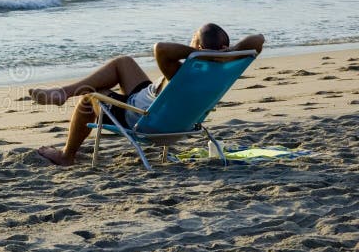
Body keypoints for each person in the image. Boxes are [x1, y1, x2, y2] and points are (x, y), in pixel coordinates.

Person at [30, 24, 265, 166]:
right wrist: (226, 53)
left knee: (88, 97)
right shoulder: (222, 70)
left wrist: (198, 54)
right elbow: (258, 39)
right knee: (124, 63)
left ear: (199, 47)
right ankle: (62, 92)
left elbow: (160, 48)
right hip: (175, 118)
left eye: (193, 40)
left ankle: (66, 155)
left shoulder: (186, 70)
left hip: (142, 118)